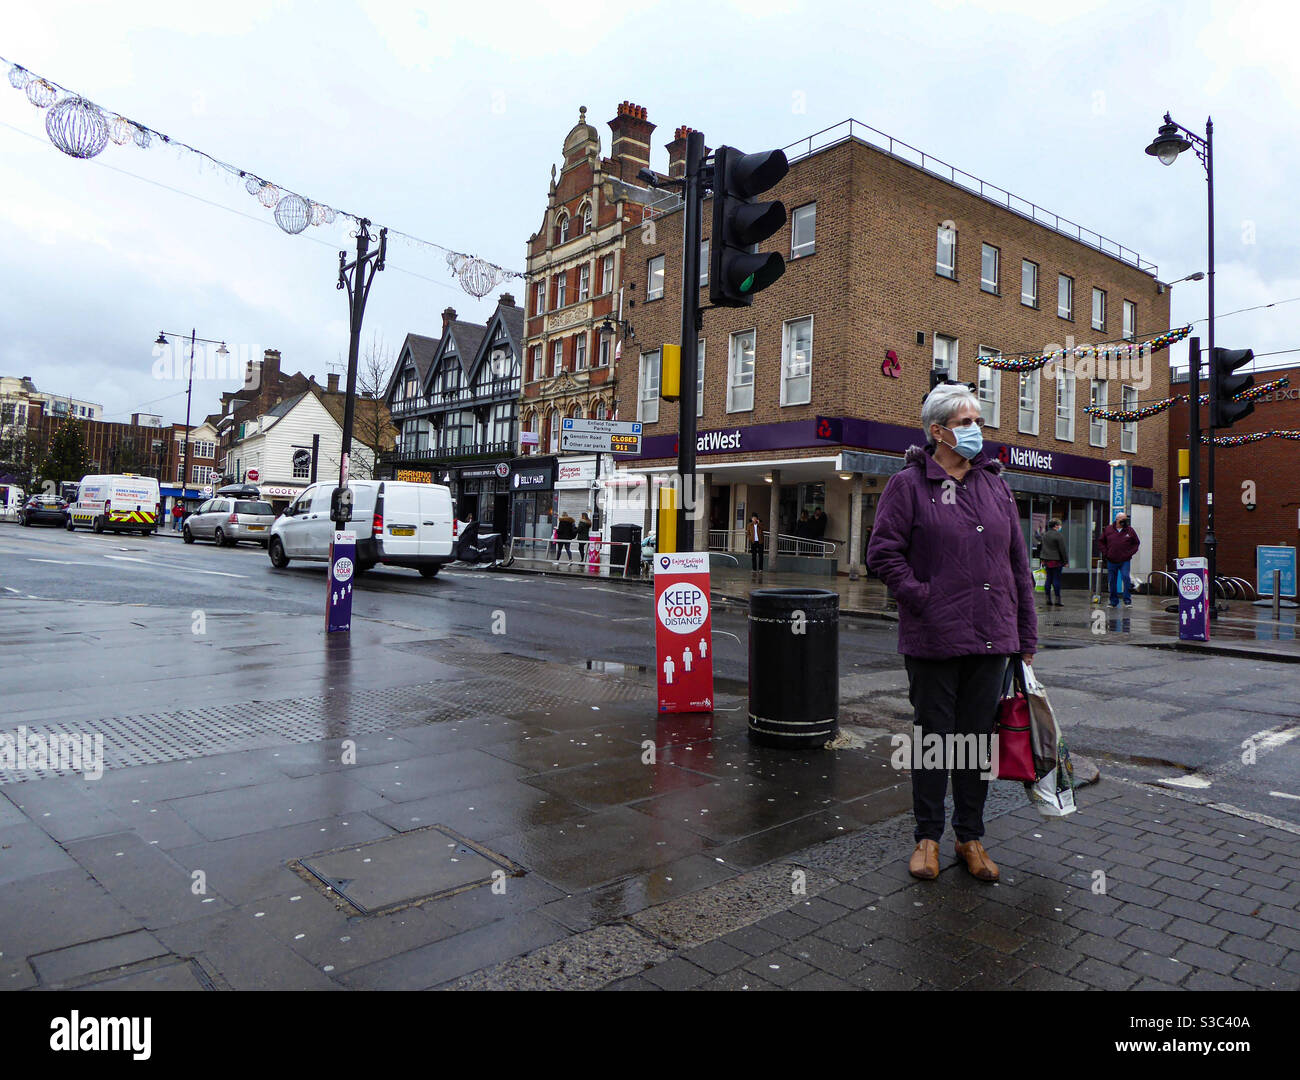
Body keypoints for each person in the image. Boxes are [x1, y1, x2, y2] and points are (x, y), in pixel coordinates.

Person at [867, 382, 1037, 884]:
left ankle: (970, 836)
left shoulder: (995, 484)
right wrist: (922, 597)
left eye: (978, 420)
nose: (976, 430)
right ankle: (927, 837)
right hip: (935, 638)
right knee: (936, 739)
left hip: (993, 636)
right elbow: (883, 553)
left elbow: (1018, 565)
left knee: (977, 741)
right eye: (965, 423)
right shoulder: (909, 485)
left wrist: (1025, 639)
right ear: (938, 431)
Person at [1099, 512, 1140, 607]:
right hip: (1111, 560)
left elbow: (1136, 543)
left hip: (1124, 560)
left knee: (1126, 577)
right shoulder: (1108, 529)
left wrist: (1129, 553)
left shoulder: (1130, 530)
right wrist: (1106, 553)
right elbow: (1101, 542)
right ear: (1117, 520)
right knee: (1112, 580)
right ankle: (1113, 601)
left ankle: (1127, 600)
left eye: (1126, 519)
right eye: (1122, 520)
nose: (1124, 522)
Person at [1040, 519, 1067, 605]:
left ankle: (1048, 599)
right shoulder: (1058, 535)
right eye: (1059, 525)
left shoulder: (1044, 535)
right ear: (1056, 526)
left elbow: (1042, 548)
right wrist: (1065, 561)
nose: (1060, 527)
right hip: (1057, 560)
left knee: (1048, 579)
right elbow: (1062, 549)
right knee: (1056, 580)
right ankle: (1057, 600)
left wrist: (1042, 559)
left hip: (1046, 560)